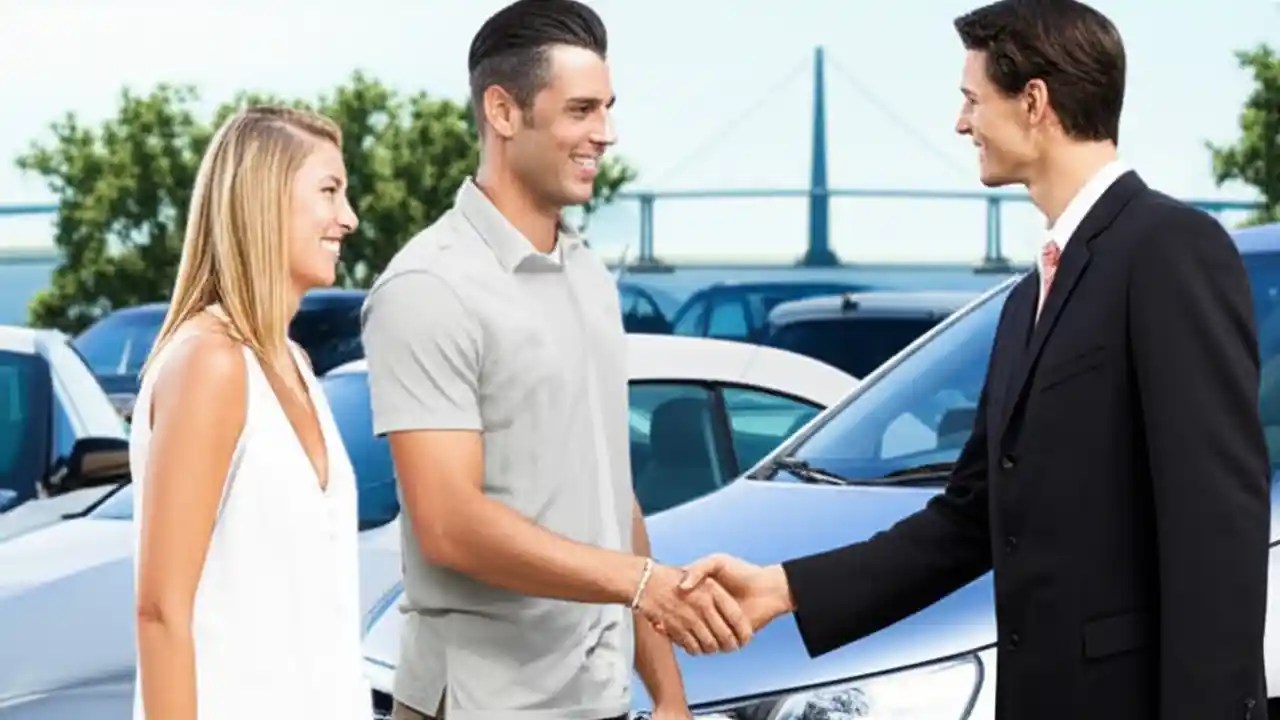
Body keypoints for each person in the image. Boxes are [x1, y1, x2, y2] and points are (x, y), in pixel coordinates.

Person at [679, 1, 1271, 719]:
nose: (961, 124)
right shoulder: (1029, 298)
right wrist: (779, 589)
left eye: (971, 100)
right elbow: (966, 520)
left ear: (1034, 102)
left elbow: (1217, 529)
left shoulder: (1169, 250)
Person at [359, 2, 749, 719]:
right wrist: (639, 581)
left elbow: (611, 495)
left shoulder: (589, 277)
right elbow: (448, 524)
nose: (605, 133)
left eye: (606, 107)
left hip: (600, 701)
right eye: (580, 110)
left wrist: (667, 693)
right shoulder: (427, 288)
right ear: (503, 112)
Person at [130, 105, 369, 720]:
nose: (349, 217)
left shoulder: (293, 362)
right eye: (329, 191)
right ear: (264, 201)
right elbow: (161, 613)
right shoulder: (210, 363)